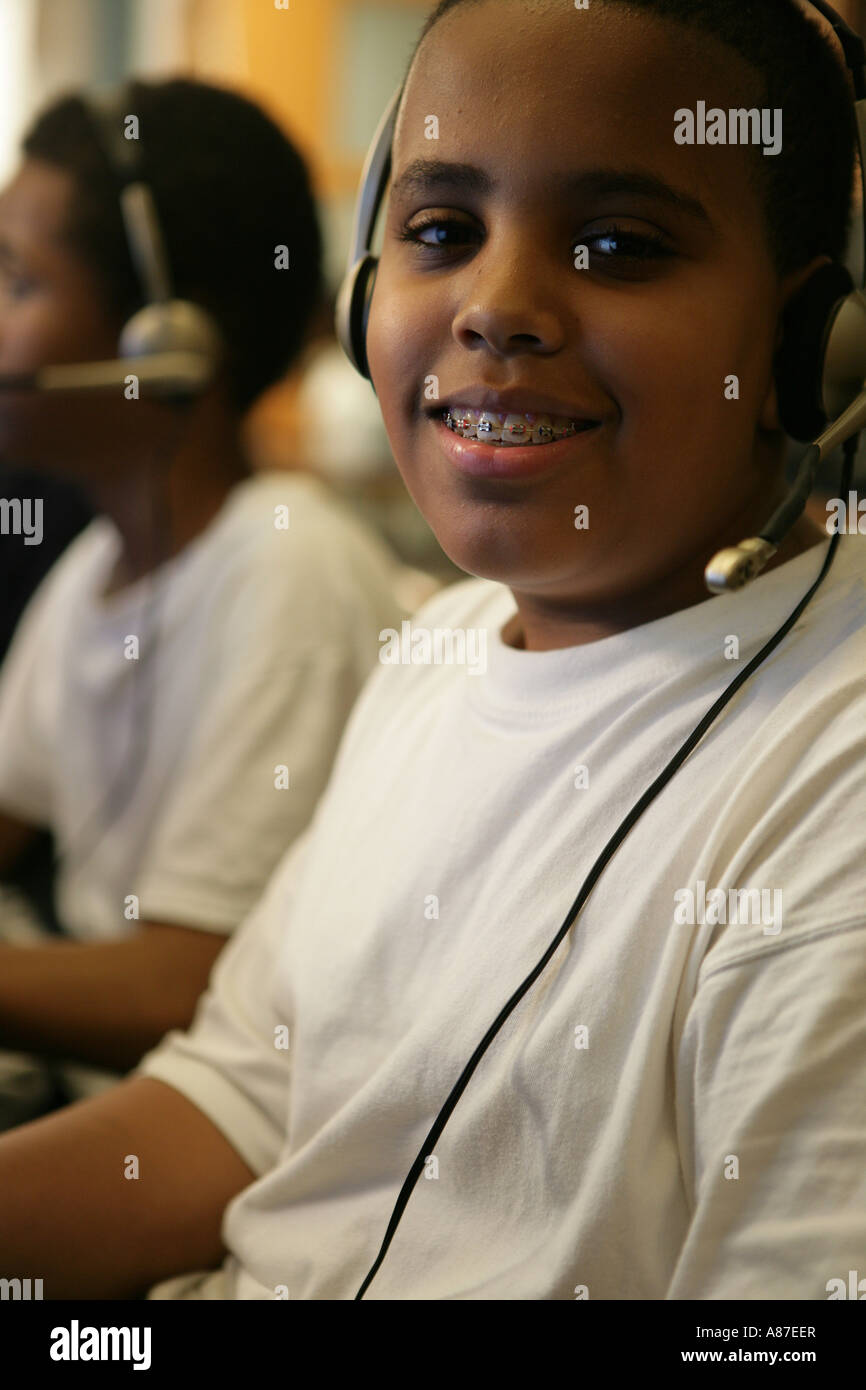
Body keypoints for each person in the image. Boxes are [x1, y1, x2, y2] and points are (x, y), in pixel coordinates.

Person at [0, 0, 864, 1300]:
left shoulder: (830, 773)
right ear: (362, 300)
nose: (496, 308)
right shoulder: (440, 648)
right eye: (442, 231)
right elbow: (238, 1097)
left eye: (618, 244)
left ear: (808, 341)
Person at [0, 78, 406, 1126]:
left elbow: (186, 984)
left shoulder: (286, 565)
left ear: (162, 341)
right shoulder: (97, 568)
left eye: (16, 282)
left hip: (195, 1144)